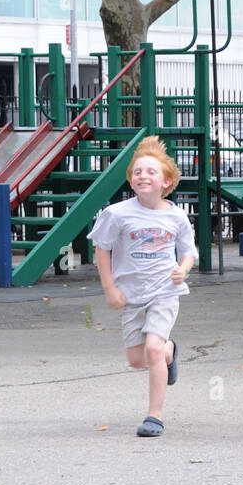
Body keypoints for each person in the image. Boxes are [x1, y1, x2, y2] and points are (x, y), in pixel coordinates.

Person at [89, 137, 197, 437]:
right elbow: (101, 248)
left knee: (152, 348)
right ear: (131, 179)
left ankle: (155, 417)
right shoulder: (117, 214)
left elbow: (189, 252)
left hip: (164, 291)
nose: (143, 176)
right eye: (137, 172)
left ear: (166, 181)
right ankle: (170, 351)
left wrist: (183, 270)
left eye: (150, 171)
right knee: (138, 360)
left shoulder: (176, 215)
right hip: (131, 294)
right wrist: (110, 289)